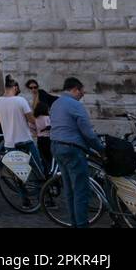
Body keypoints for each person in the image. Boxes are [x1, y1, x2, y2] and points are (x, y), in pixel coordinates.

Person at [49, 76, 105, 229]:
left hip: (56, 146)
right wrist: (100, 149)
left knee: (69, 190)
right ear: (75, 90)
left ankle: (74, 223)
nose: (82, 95)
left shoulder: (56, 103)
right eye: (82, 92)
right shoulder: (75, 105)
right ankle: (81, 225)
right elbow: (88, 133)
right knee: (81, 190)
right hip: (72, 149)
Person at [0, 76, 43, 176]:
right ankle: (41, 188)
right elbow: (32, 120)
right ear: (15, 88)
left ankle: (23, 191)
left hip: (10, 143)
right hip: (25, 142)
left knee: (20, 174)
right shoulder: (20, 100)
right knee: (38, 170)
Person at [25, 78, 57, 171]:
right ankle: (48, 171)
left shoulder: (41, 93)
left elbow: (45, 105)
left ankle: (50, 171)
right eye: (31, 88)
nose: (33, 89)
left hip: (44, 118)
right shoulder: (33, 97)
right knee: (44, 155)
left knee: (48, 155)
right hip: (39, 123)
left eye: (35, 87)